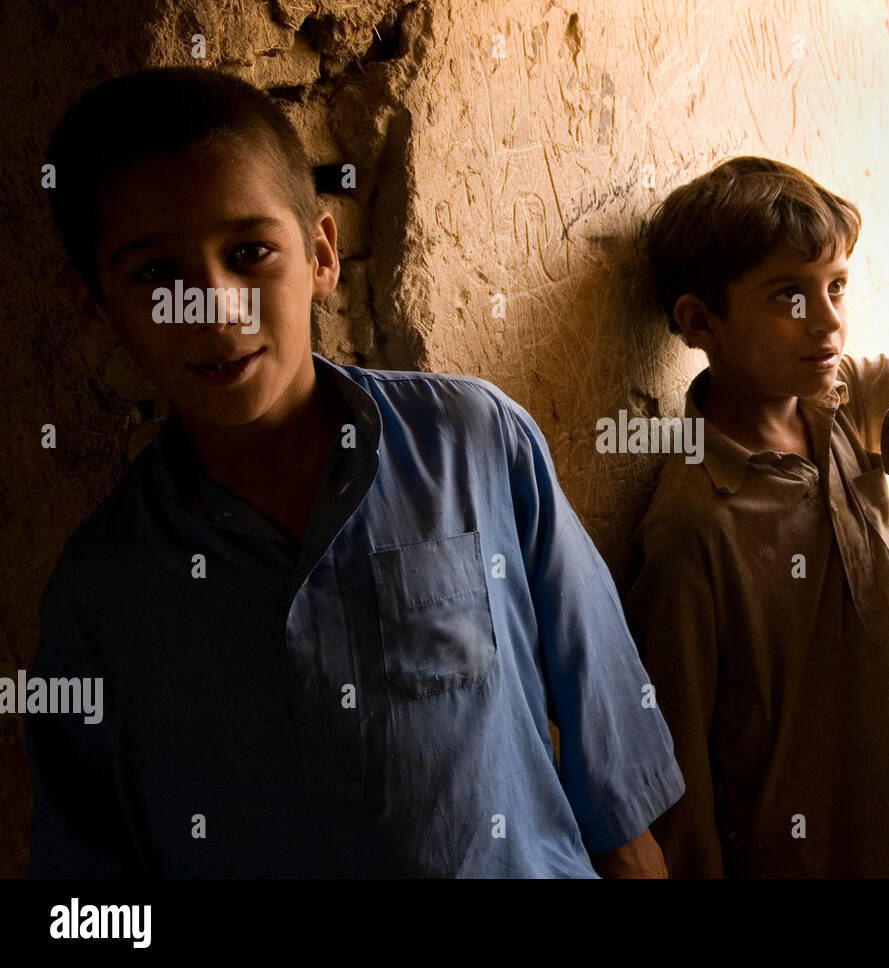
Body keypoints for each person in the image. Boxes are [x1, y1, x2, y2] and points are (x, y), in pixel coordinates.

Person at [28, 66, 683, 877]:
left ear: (322, 255)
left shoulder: (472, 444)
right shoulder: (102, 593)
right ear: (97, 306)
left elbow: (616, 796)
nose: (217, 309)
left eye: (249, 252)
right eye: (156, 276)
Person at [625, 156, 889, 877]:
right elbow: (679, 783)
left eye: (835, 286)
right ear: (699, 321)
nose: (828, 319)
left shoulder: (844, 408)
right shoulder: (693, 528)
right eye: (787, 297)